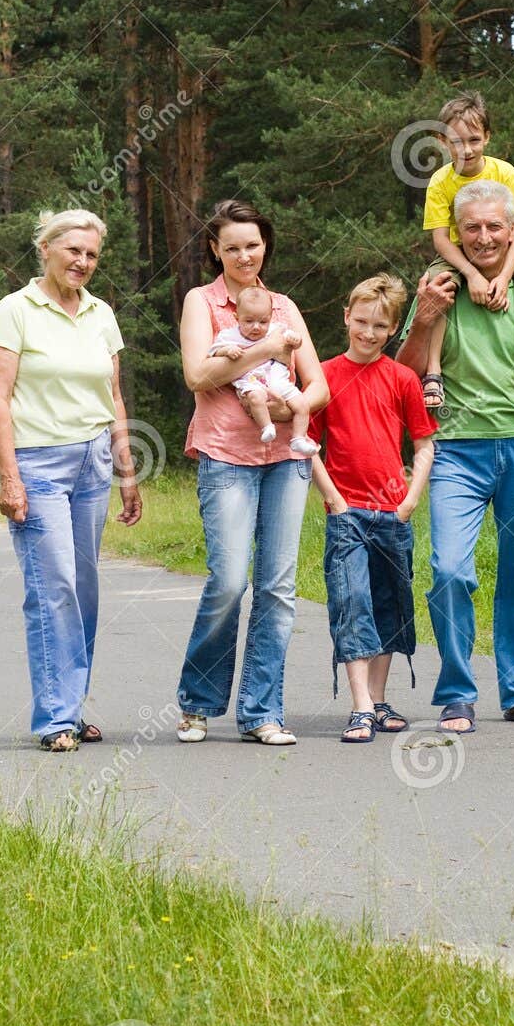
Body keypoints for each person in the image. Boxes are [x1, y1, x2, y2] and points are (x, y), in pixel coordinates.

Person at [397, 182, 514, 733]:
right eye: (471, 228)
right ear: (457, 232)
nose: (483, 238)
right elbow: (403, 378)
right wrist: (425, 317)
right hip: (455, 448)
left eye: (494, 227)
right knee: (450, 570)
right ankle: (457, 691)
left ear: (512, 230)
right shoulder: (438, 287)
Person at [0, 209, 142, 753]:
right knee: (53, 589)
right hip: (38, 463)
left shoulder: (101, 314)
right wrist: (10, 479)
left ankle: (71, 704)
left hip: (93, 460)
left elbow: (114, 397)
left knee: (85, 590)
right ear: (45, 248)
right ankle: (55, 717)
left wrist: (126, 470)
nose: (83, 261)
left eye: (92, 254)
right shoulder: (14, 311)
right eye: (73, 250)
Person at [176, 199, 329, 747]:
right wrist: (264, 347)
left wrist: (291, 409)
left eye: (253, 244)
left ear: (266, 246)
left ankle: (262, 711)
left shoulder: (285, 304)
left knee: (279, 587)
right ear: (215, 249)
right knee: (230, 580)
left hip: (285, 459)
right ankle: (198, 702)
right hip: (227, 458)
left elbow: (319, 384)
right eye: (232, 245)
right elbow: (198, 374)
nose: (244, 254)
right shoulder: (202, 302)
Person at [307, 275, 436, 743]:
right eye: (361, 321)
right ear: (346, 317)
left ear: (393, 327)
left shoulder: (402, 378)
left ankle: (379, 700)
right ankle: (360, 705)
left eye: (379, 325)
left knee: (391, 604)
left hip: (392, 512)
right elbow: (308, 445)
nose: (368, 332)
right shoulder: (323, 376)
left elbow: (424, 445)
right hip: (347, 514)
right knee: (351, 601)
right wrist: (334, 500)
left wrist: (410, 500)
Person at [421, 91, 514, 414]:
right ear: (442, 142)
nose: (466, 149)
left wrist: (503, 277)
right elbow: (442, 240)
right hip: (461, 252)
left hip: (510, 250)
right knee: (436, 284)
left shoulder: (505, 172)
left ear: (487, 137)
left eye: (474, 139)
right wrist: (471, 274)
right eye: (456, 142)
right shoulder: (439, 182)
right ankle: (433, 373)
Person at [208, 285, 319, 454]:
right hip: (251, 380)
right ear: (236, 318)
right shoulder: (228, 336)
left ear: (270, 318)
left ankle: (298, 438)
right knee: (255, 398)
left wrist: (296, 340)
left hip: (279, 381)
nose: (256, 327)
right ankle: (267, 427)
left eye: (263, 321)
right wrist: (227, 351)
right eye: (249, 321)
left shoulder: (276, 330)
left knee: (302, 405)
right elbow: (214, 352)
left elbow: (295, 341)